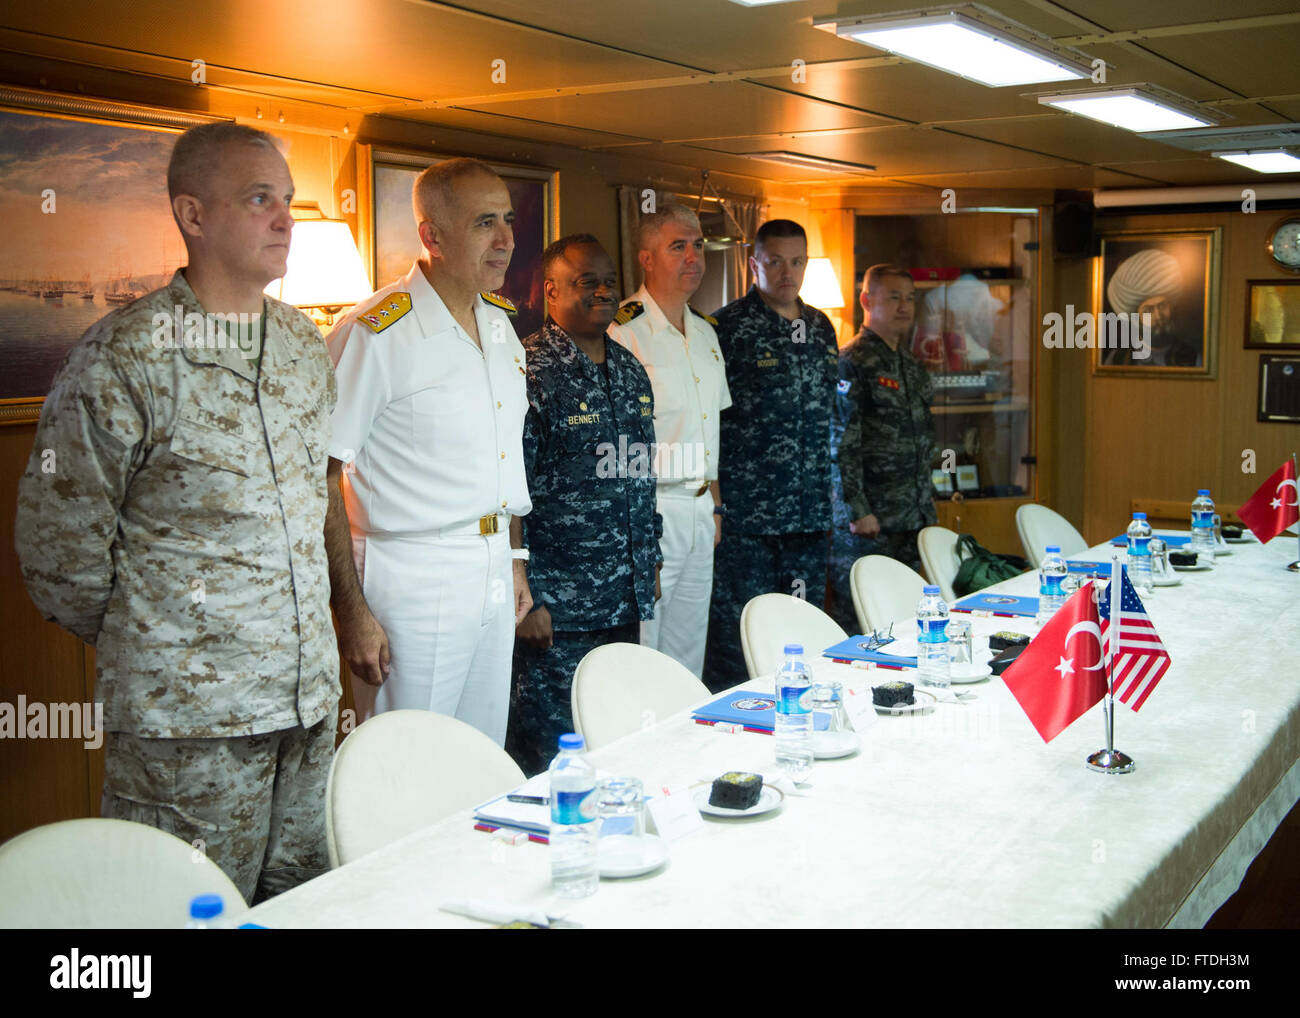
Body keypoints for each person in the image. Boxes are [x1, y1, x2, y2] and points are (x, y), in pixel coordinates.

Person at [15, 123, 338, 904]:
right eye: (260, 199)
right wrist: (161, 632)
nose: (285, 219)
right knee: (178, 916)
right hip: (188, 726)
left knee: (309, 908)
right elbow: (58, 551)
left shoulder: (301, 344)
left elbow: (314, 497)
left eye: (287, 200)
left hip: (307, 705)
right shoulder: (123, 357)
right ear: (193, 215)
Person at [325, 158, 532, 746]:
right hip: (411, 570)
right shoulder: (376, 333)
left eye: (509, 221)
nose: (506, 241)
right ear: (431, 236)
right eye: (484, 223)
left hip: (491, 562)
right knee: (405, 759)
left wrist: (513, 561)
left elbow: (502, 461)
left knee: (478, 753)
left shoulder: (499, 325)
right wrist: (351, 611)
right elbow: (321, 472)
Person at [506, 235, 662, 775]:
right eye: (585, 282)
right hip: (558, 611)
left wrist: (651, 562)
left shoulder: (629, 368)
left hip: (623, 599)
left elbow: (642, 477)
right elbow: (510, 495)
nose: (602, 291)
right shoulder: (527, 371)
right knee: (550, 757)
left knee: (614, 741)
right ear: (551, 291)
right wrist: (526, 598)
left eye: (608, 281)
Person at [703, 219, 838, 693]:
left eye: (797, 261)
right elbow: (708, 422)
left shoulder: (821, 327)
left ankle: (805, 712)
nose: (787, 272)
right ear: (753, 262)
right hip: (748, 519)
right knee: (738, 638)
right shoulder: (724, 328)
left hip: (809, 515)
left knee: (804, 633)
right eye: (775, 260)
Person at [608, 204, 730, 678]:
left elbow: (708, 431)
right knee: (647, 650)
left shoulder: (705, 333)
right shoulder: (624, 332)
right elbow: (617, 445)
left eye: (697, 244)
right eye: (677, 246)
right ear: (647, 258)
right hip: (653, 510)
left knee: (687, 652)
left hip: (700, 510)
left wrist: (715, 506)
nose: (692, 256)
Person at [828, 264, 936, 633]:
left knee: (908, 620)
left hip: (911, 516)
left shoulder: (910, 364)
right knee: (864, 623)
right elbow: (841, 444)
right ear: (866, 300)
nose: (905, 306)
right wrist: (858, 510)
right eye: (894, 297)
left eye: (910, 298)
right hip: (870, 522)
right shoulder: (851, 361)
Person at [1103, 247, 1199, 366]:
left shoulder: (1193, 358)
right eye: (1148, 310)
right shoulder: (1118, 358)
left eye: (1162, 306)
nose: (1158, 316)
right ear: (1137, 317)